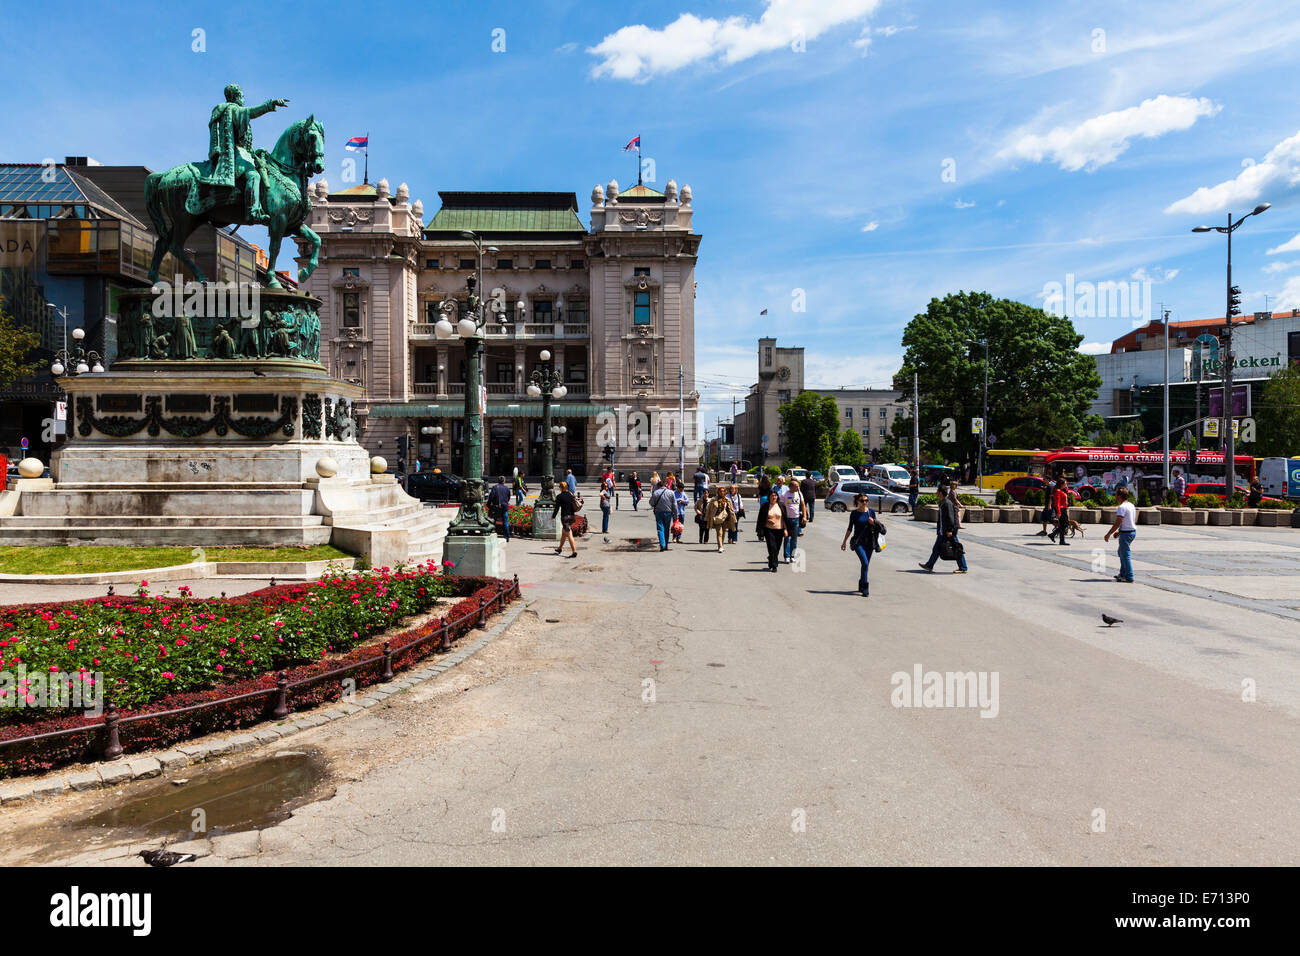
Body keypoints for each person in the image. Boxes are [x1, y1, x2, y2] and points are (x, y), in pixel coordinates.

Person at [920, 484, 968, 573]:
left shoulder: (947, 503)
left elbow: (950, 518)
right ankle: (929, 565)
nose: (936, 493)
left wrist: (950, 530)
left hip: (949, 531)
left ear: (941, 493)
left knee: (956, 548)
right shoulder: (943, 502)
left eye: (937, 491)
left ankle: (963, 568)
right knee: (936, 548)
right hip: (943, 531)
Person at [840, 493, 879, 596]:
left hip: (870, 543)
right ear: (857, 501)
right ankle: (865, 587)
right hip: (858, 543)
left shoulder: (871, 512)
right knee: (865, 563)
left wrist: (874, 522)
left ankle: (861, 583)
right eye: (862, 501)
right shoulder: (854, 514)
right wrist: (844, 542)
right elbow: (850, 528)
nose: (865, 502)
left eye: (866, 500)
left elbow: (877, 527)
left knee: (865, 565)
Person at [1105, 486, 1137, 583]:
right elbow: (1128, 520)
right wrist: (1119, 531)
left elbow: (1118, 522)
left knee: (1125, 554)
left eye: (1116, 495)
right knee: (1121, 552)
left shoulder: (1121, 507)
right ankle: (1123, 573)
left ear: (1119, 496)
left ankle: (1129, 576)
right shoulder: (1131, 505)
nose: (1115, 496)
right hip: (1131, 532)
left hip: (1126, 534)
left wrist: (1108, 534)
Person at [757, 484, 792, 572]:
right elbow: (760, 519)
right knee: (772, 547)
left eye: (775, 495)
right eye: (772, 495)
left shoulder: (781, 505)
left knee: (777, 548)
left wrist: (785, 529)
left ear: (777, 497)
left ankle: (771, 558)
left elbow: (784, 518)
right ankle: (774, 565)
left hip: (779, 529)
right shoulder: (765, 506)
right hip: (768, 529)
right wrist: (767, 521)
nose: (774, 497)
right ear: (769, 497)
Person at [782, 478, 807, 563]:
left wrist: (804, 516)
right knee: (787, 538)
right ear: (791, 487)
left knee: (794, 539)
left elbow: (803, 505)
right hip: (787, 519)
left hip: (796, 519)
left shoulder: (799, 494)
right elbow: (781, 506)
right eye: (796, 486)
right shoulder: (784, 494)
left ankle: (792, 555)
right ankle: (786, 556)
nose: (798, 488)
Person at [705, 486, 736, 553]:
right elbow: (709, 509)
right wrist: (707, 518)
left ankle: (721, 545)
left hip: (725, 519)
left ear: (725, 492)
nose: (722, 492)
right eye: (720, 491)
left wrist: (733, 518)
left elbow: (731, 510)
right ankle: (720, 547)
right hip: (716, 518)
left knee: (723, 533)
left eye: (723, 491)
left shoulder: (727, 500)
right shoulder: (713, 500)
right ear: (718, 492)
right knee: (719, 533)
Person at [552, 484, 579, 558]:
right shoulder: (570, 494)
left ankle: (574, 552)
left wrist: (553, 516)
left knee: (569, 534)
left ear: (561, 488)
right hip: (572, 517)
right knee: (564, 533)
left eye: (559, 487)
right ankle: (559, 548)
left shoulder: (559, 497)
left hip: (565, 518)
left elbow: (556, 508)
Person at [650, 479, 676, 551]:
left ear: (658, 486)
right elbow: (674, 504)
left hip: (658, 512)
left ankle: (662, 544)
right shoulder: (671, 493)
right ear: (666, 485)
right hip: (668, 512)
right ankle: (666, 545)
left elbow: (651, 503)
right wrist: (676, 514)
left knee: (660, 528)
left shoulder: (655, 493)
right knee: (666, 529)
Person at [489, 475, 512, 542]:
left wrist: (489, 504)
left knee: (493, 521)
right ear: (504, 481)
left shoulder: (495, 487)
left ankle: (492, 533)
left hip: (496, 507)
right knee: (505, 521)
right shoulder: (507, 488)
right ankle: (507, 537)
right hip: (504, 507)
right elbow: (508, 498)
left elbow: (491, 497)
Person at [1048, 478, 1071, 546]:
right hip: (1061, 509)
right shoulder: (1057, 491)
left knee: (1064, 524)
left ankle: (1057, 538)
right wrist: (1058, 512)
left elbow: (1067, 493)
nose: (1066, 485)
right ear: (1061, 484)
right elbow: (1057, 503)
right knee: (1065, 524)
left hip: (1063, 509)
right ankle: (1055, 536)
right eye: (1065, 483)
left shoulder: (1061, 490)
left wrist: (1066, 488)